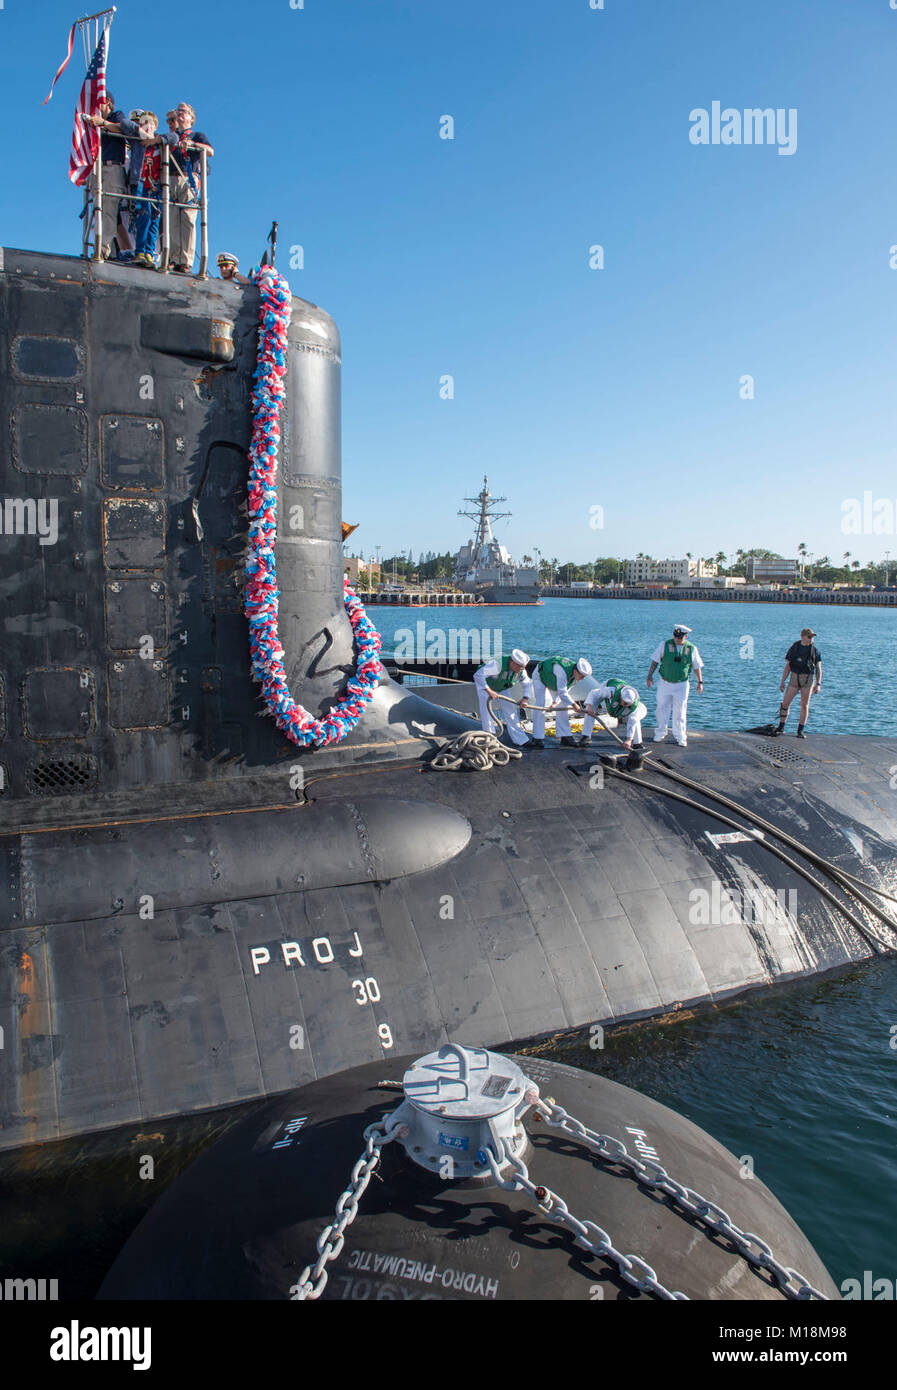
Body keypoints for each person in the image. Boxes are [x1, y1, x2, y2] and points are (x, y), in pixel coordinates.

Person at [161, 102, 214, 273]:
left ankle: (186, 260)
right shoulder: (172, 136)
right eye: (178, 112)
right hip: (171, 178)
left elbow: (210, 151)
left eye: (183, 112)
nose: (180, 114)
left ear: (191, 118)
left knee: (188, 220)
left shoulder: (197, 135)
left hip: (188, 178)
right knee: (173, 220)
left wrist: (193, 145)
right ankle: (174, 257)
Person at [84, 94, 130, 260]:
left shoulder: (116, 116)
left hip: (113, 167)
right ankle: (105, 248)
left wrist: (102, 123)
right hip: (99, 168)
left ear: (108, 103)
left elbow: (125, 129)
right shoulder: (94, 123)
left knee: (109, 209)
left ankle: (102, 249)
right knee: (99, 210)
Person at [646, 624, 704, 747]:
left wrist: (700, 682)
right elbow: (655, 661)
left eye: (680, 637)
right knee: (662, 708)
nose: (677, 639)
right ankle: (660, 732)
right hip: (665, 682)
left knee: (680, 711)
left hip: (681, 684)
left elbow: (696, 667)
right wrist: (649, 675)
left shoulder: (691, 649)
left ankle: (680, 736)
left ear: (686, 636)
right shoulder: (665, 645)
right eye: (676, 636)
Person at [473, 649, 532, 747]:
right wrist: (489, 691)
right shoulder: (496, 665)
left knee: (511, 711)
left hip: (502, 686)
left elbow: (527, 683)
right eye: (520, 667)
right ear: (512, 663)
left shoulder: (521, 671)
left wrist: (525, 698)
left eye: (523, 667)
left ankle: (520, 739)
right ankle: (490, 739)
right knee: (486, 712)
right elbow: (478, 675)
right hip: (486, 685)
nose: (522, 669)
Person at [531, 655, 592, 748]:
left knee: (562, 704)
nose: (583, 678)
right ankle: (537, 738)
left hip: (553, 682)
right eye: (582, 676)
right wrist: (574, 705)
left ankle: (565, 736)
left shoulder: (575, 677)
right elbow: (562, 692)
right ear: (575, 671)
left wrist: (555, 702)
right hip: (541, 675)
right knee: (540, 704)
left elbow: (565, 691)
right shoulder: (561, 670)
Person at [771, 628, 822, 738]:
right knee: (785, 703)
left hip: (808, 679)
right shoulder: (795, 648)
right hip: (795, 678)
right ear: (803, 637)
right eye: (809, 637)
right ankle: (781, 726)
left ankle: (800, 730)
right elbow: (788, 666)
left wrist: (818, 684)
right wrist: (783, 681)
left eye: (812, 637)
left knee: (804, 705)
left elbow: (818, 668)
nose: (811, 639)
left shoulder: (815, 651)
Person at [578, 680, 647, 749]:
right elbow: (593, 693)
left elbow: (633, 721)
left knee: (635, 717)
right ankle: (586, 736)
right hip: (605, 687)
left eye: (628, 704)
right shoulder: (609, 691)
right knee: (590, 707)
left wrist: (629, 740)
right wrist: (590, 707)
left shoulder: (634, 705)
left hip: (629, 709)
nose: (626, 706)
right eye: (625, 703)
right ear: (620, 697)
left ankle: (637, 743)